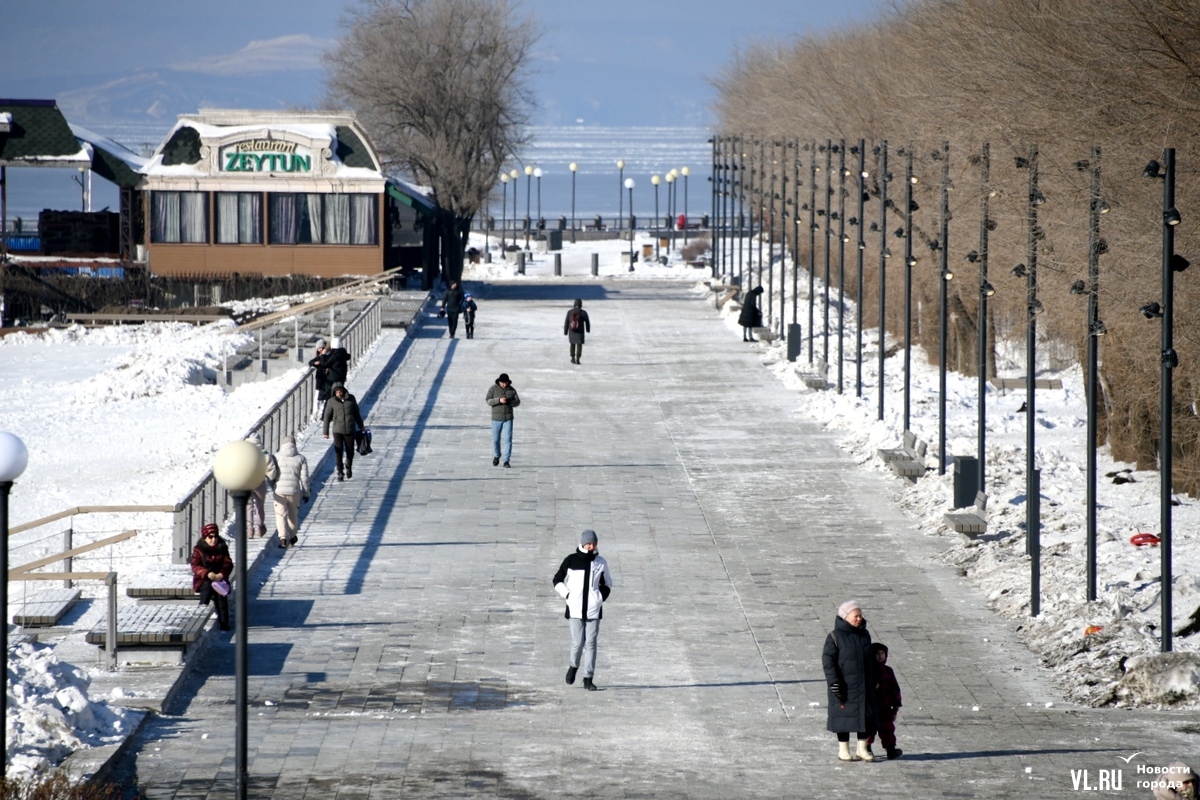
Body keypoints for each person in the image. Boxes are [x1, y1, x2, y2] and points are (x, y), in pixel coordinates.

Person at [552, 529, 613, 691]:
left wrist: (600, 598)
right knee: (578, 642)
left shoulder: (601, 562)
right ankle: (573, 667)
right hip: (575, 609)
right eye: (589, 543)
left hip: (594, 610)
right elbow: (557, 580)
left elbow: (607, 584)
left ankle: (588, 678)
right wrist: (568, 595)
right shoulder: (571, 560)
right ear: (583, 543)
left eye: (594, 543)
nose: (591, 546)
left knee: (591, 643)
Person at [822, 599, 878, 762]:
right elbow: (828, 661)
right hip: (844, 685)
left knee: (865, 717)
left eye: (861, 616)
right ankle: (843, 749)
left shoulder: (864, 635)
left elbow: (870, 660)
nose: (860, 619)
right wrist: (834, 682)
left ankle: (862, 748)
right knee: (843, 718)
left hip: (864, 685)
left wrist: (874, 678)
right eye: (856, 616)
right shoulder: (835, 637)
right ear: (846, 617)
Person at [191, 523, 233, 631]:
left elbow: (228, 564)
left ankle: (224, 623)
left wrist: (221, 574)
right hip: (203, 579)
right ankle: (200, 618)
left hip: (219, 579)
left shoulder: (222, 548)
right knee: (207, 587)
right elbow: (195, 566)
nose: (213, 539)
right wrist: (207, 573)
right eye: (210, 537)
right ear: (205, 537)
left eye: (215, 536)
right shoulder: (199, 549)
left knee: (220, 595)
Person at [271, 434, 310, 549]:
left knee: (280, 515)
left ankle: (283, 539)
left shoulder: (275, 457)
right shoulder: (301, 459)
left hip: (279, 491)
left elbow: (271, 474)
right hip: (294, 491)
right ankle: (293, 537)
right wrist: (306, 492)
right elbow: (305, 478)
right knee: (293, 515)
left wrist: (273, 486)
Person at [866, 642, 903, 759]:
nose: (880, 656)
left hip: (885, 706)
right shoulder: (868, 671)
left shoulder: (888, 671)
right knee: (869, 729)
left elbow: (894, 688)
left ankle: (891, 749)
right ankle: (866, 748)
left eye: (882, 653)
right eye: (877, 653)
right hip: (871, 706)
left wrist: (896, 704)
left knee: (887, 728)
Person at [323, 382, 364, 481]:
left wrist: (361, 426)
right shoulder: (331, 402)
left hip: (350, 429)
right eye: (337, 392)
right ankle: (340, 472)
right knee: (338, 451)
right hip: (337, 430)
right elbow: (327, 417)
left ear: (343, 391)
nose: (339, 393)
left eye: (340, 391)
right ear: (334, 392)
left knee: (350, 450)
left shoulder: (351, 399)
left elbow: (357, 413)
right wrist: (325, 432)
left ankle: (348, 466)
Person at [485, 372, 520, 467]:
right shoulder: (493, 389)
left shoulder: (512, 390)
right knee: (496, 439)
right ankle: (497, 455)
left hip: (508, 418)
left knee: (508, 439)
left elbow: (517, 402)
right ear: (499, 382)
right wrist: (498, 400)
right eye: (502, 382)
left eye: (505, 383)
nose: (504, 384)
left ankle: (506, 460)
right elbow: (488, 401)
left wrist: (509, 402)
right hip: (496, 418)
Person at [244, 433, 271, 538]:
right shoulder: (264, 454)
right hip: (260, 482)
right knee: (260, 506)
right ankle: (260, 527)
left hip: (247, 483)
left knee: (248, 507)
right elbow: (270, 469)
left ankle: (250, 530)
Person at [564, 298, 591, 365]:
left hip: (572, 331)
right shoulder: (583, 313)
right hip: (580, 331)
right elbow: (587, 322)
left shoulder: (570, 312)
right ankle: (578, 358)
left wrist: (565, 331)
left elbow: (567, 322)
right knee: (579, 344)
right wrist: (588, 329)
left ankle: (572, 357)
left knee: (572, 343)